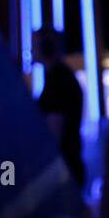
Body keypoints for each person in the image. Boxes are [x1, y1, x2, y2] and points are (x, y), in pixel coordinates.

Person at [34, 28, 85, 189]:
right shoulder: (61, 77)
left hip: (62, 172)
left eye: (34, 45)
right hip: (68, 167)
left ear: (45, 47)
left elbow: (54, 130)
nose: (31, 50)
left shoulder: (58, 82)